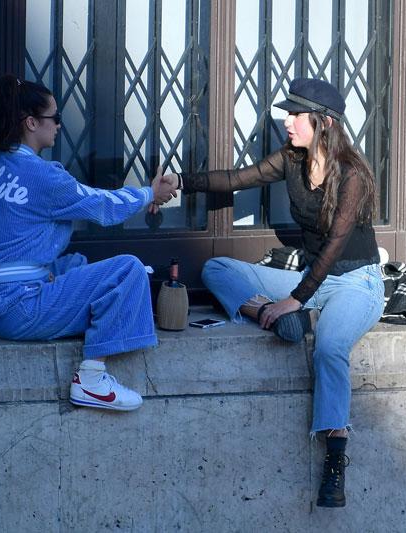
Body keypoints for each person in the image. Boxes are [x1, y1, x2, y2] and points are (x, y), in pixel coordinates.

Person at [164, 78, 384, 508]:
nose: (287, 121)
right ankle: (271, 313)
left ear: (322, 123)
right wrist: (180, 182)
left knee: (330, 349)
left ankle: (335, 460)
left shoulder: (353, 175)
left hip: (355, 282)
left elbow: (335, 246)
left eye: (295, 115)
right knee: (217, 268)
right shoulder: (290, 160)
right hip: (308, 280)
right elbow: (235, 178)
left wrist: (295, 299)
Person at [0, 74, 176, 411]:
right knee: (127, 270)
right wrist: (149, 194)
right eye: (55, 118)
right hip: (19, 308)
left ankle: (36, 287)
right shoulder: (43, 175)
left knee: (74, 264)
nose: (59, 126)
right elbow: (101, 205)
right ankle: (93, 379)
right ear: (31, 122)